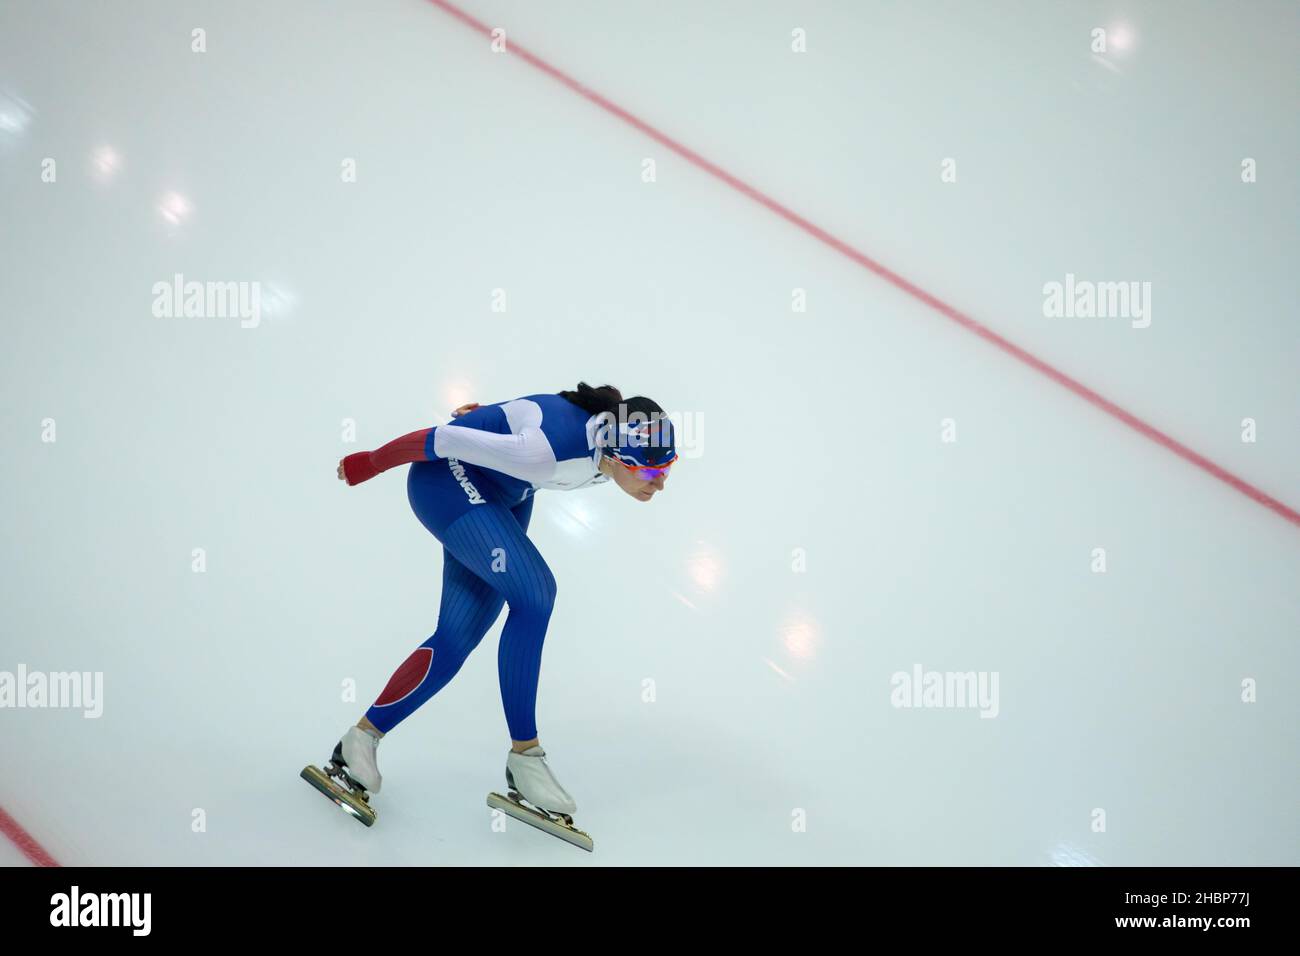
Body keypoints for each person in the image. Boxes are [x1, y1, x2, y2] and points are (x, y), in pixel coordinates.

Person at [317, 382, 677, 822]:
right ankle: (526, 757)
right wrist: (369, 463)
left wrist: (491, 417)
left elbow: (537, 408)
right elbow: (439, 438)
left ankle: (361, 740)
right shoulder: (543, 452)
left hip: (506, 494)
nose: (659, 483)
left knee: (456, 637)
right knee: (537, 594)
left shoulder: (610, 432)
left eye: (667, 467)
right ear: (617, 454)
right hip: (445, 482)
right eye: (648, 471)